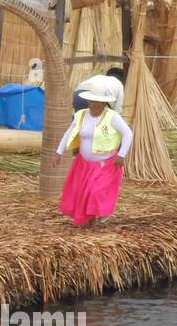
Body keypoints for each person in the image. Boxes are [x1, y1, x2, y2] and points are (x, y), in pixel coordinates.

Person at [53, 87, 133, 227]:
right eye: (92, 101)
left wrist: (121, 154)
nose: (95, 105)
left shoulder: (112, 117)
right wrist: (59, 152)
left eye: (99, 102)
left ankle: (98, 215)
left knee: (95, 191)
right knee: (82, 192)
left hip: (106, 164)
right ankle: (89, 220)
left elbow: (128, 134)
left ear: (104, 103)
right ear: (88, 101)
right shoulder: (81, 115)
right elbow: (69, 133)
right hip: (83, 164)